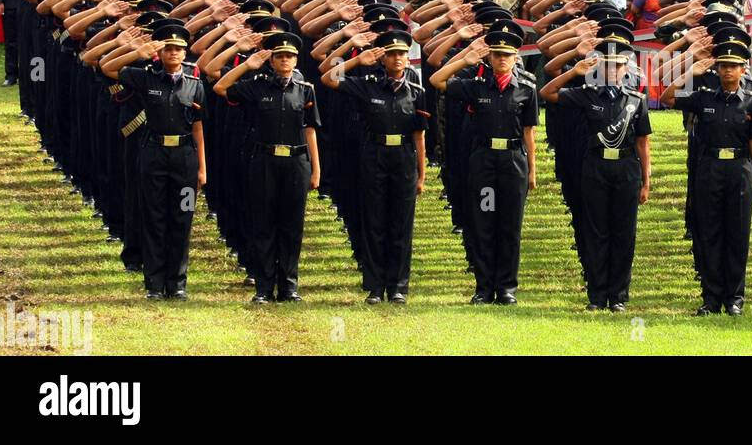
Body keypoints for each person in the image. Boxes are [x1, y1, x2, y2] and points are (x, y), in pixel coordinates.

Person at [430, 24, 539, 306]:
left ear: (516, 57)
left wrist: (532, 170)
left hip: (514, 162)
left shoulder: (526, 87)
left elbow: (529, 132)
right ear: (489, 58)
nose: (502, 59)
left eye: (507, 54)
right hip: (484, 163)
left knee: (510, 225)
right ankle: (483, 287)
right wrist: (464, 60)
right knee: (484, 222)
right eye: (496, 54)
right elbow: (437, 81)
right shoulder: (475, 85)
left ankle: (506, 288)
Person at [540, 41, 651, 311]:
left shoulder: (636, 100)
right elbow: (547, 93)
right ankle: (597, 296)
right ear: (599, 67)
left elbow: (643, 143)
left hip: (626, 169)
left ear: (627, 69)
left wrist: (646, 182)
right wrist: (574, 71)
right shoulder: (586, 94)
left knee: (623, 233)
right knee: (596, 232)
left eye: (618, 66)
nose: (613, 70)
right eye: (608, 65)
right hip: (595, 168)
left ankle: (619, 297)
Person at [213, 32, 322, 303]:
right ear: (270, 60)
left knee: (291, 225)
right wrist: (247, 65)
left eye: (289, 56)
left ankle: (288, 286)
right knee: (262, 224)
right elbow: (220, 88)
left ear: (296, 60)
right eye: (279, 56)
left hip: (296, 162)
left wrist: (316, 169)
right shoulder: (257, 85)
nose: (284, 60)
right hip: (264, 160)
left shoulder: (305, 89)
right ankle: (263, 286)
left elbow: (310, 130)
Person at [101, 23, 207, 301]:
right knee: (154, 217)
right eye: (168, 49)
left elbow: (197, 127)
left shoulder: (195, 84)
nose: (173, 53)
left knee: (182, 218)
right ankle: (154, 284)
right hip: (153, 154)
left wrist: (202, 168)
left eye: (178, 49)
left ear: (185, 53)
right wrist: (137, 49)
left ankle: (177, 283)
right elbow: (107, 68)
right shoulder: (146, 78)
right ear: (160, 53)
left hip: (185, 158)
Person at [322, 30, 428, 304]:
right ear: (383, 58)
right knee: (374, 220)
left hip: (404, 155)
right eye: (391, 54)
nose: (397, 59)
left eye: (402, 54)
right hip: (374, 153)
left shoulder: (416, 90)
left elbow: (419, 135)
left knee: (401, 223)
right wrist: (357, 61)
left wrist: (422, 174)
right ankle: (375, 286)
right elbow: (328, 78)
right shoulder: (367, 84)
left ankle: (398, 287)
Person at [661, 41, 752, 316]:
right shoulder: (705, 96)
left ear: (743, 70)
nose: (728, 71)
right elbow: (667, 98)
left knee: (737, 234)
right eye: (723, 66)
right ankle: (711, 298)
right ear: (716, 69)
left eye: (733, 66)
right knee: (709, 233)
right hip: (709, 169)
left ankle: (734, 299)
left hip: (740, 168)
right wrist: (691, 73)